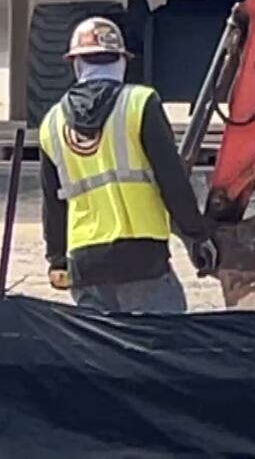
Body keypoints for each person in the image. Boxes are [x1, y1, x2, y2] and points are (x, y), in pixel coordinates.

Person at [38, 17, 217, 314]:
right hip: (142, 257)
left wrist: (56, 259)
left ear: (76, 64)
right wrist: (197, 235)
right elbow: (171, 180)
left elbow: (53, 204)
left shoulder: (52, 123)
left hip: (84, 262)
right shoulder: (140, 103)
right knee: (164, 348)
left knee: (102, 353)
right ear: (121, 61)